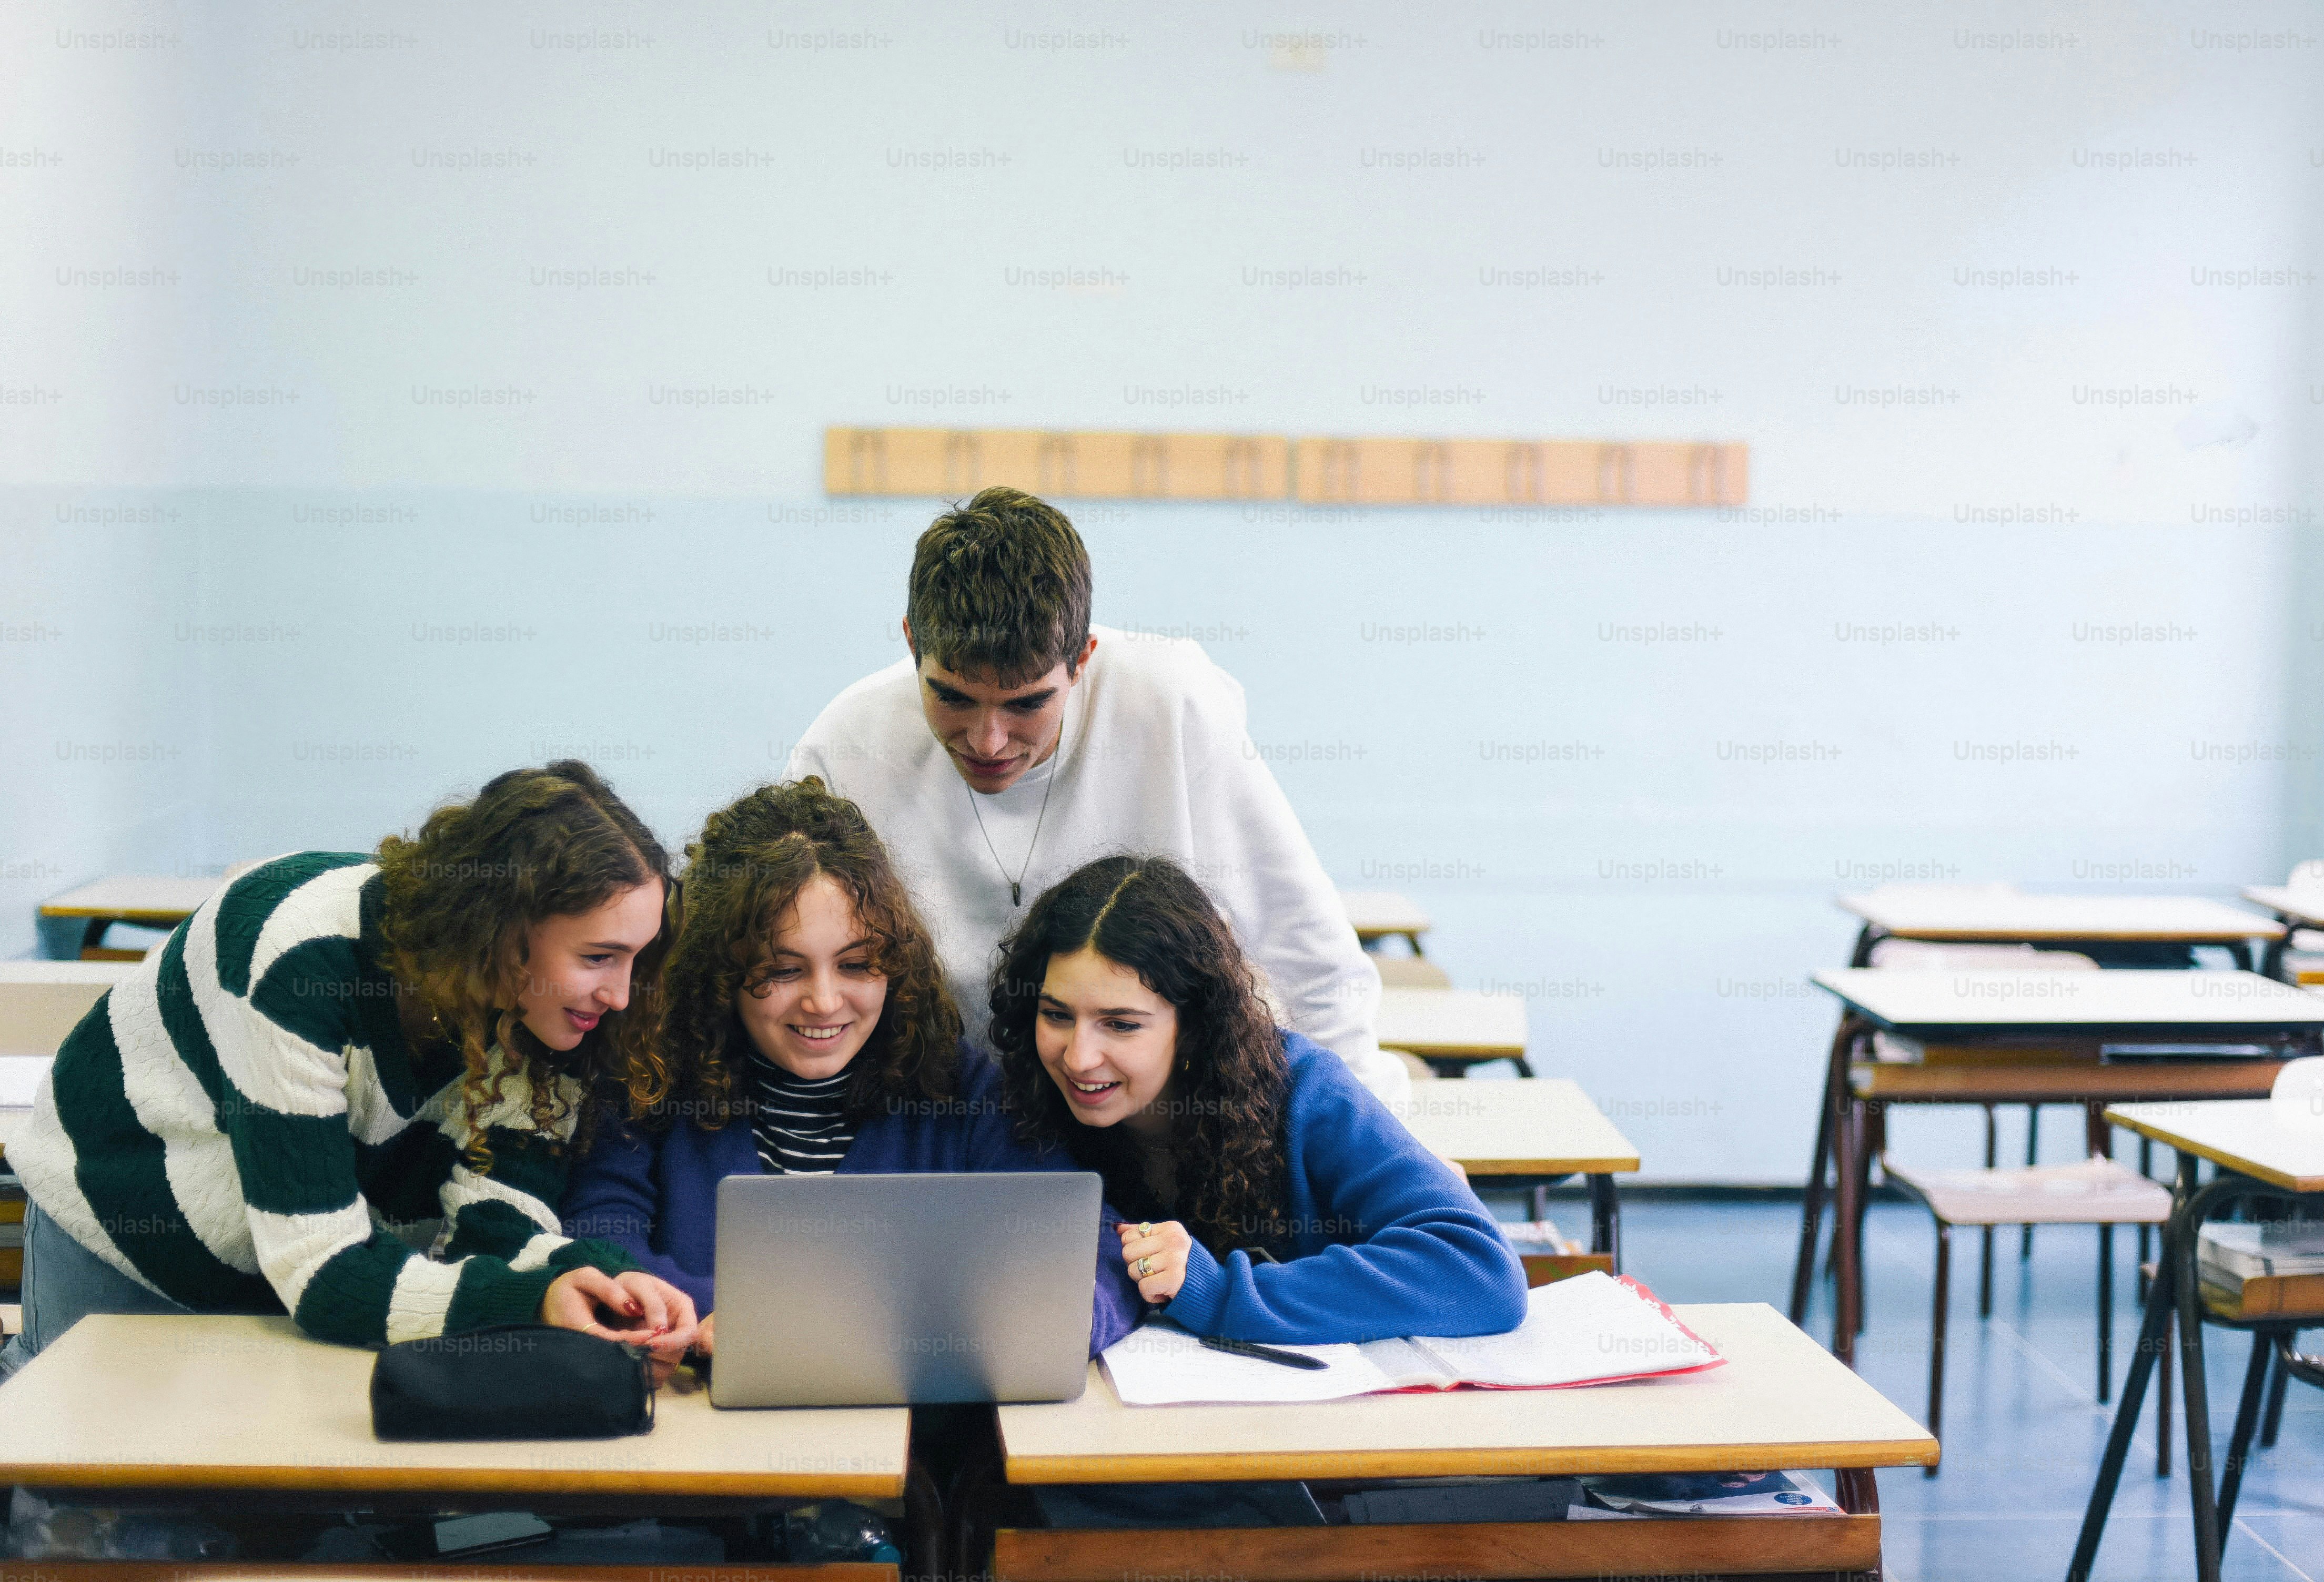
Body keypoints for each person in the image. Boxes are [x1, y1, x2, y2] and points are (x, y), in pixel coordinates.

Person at [0, 761, 700, 1382]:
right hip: (126, 1230)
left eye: (636, 958)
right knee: (79, 1507)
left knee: (255, 1516)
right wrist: (531, 1302)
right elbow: (322, 1271)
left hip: (293, 1271)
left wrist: (605, 1282)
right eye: (600, 957)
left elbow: (495, 1223)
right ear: (502, 929)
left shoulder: (553, 1015)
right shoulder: (302, 953)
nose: (621, 996)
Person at [781, 487, 1407, 1106]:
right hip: (961, 1121)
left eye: (1028, 703)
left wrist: (1373, 1140)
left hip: (1165, 1118)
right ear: (912, 642)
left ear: (1082, 659)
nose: (988, 740)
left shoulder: (1172, 706)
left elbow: (1307, 954)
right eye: (953, 698)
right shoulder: (844, 747)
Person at [561, 777, 1140, 1357]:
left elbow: (1093, 1244)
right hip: (695, 1427)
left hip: (915, 1433)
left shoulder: (962, 1092)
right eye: (783, 969)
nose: (824, 1001)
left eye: (857, 964)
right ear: (721, 970)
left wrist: (1056, 1318)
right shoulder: (651, 1079)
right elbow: (599, 1232)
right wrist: (704, 1316)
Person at [988, 855, 1525, 1345]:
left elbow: (1481, 1273)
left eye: (1121, 1024)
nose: (1079, 1057)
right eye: (1057, 1014)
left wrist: (1221, 1292)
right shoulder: (1028, 1108)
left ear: (1194, 1025)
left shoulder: (1305, 1089)